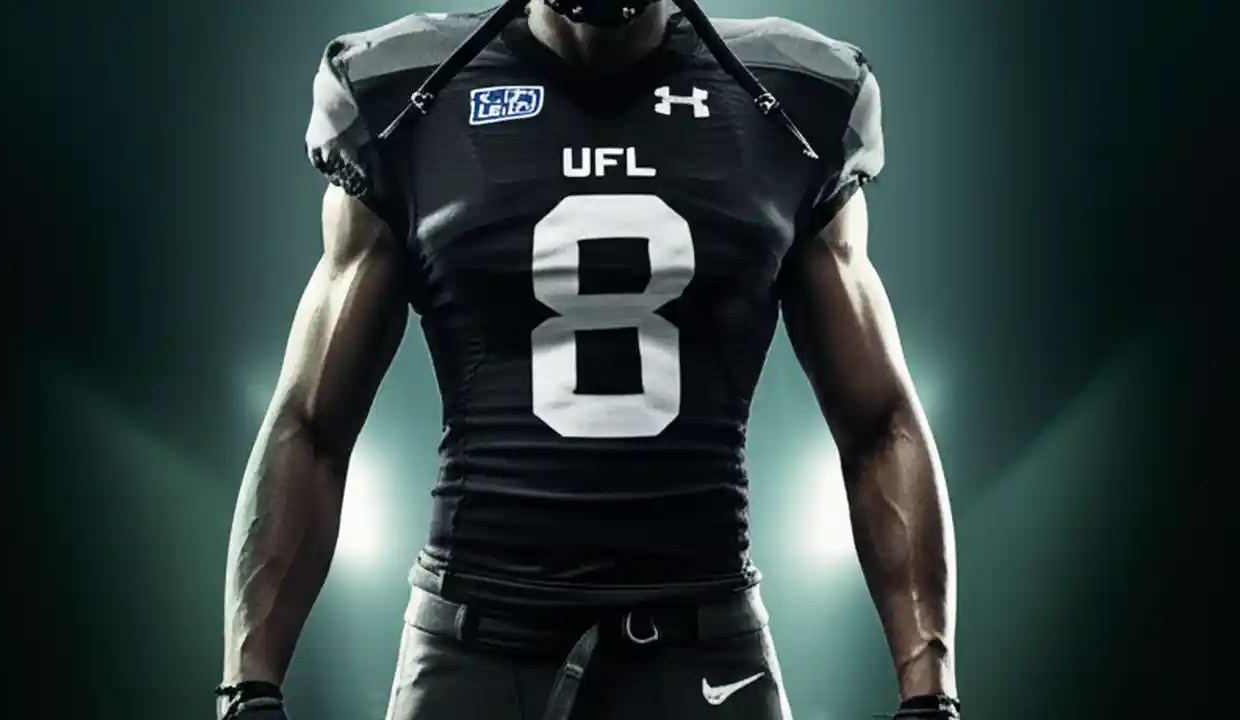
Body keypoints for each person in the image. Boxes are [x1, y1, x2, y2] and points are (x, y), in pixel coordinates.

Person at [217, 1, 960, 718]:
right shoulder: (414, 95)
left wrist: (930, 691)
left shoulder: (786, 100)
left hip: (702, 644)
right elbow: (312, 424)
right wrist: (247, 689)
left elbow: (879, 425)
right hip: (474, 643)